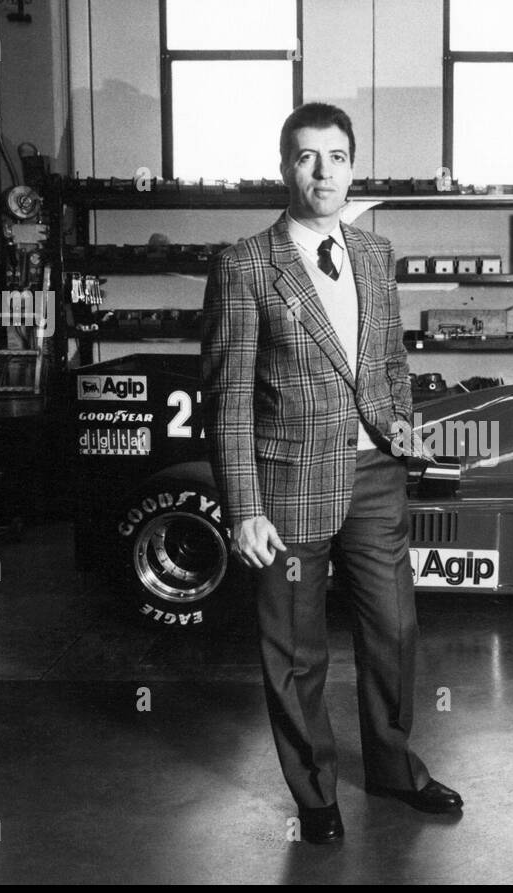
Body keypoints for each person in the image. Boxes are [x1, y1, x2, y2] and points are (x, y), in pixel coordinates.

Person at [201, 103, 462, 845]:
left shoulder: (376, 254)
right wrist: (243, 507)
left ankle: (393, 768)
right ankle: (315, 794)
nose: (323, 172)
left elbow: (390, 361)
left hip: (376, 475)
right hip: (288, 489)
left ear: (353, 167)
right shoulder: (247, 264)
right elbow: (227, 398)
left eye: (337, 157)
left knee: (395, 631)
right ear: (285, 166)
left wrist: (402, 427)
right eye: (308, 156)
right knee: (296, 652)